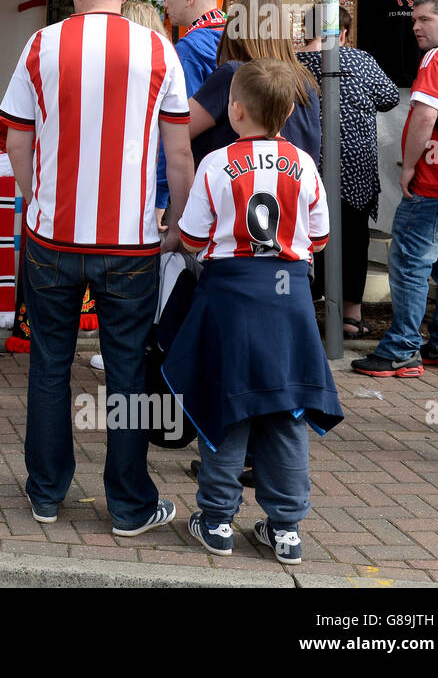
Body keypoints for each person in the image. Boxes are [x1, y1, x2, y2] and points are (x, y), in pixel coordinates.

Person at [0, 0, 194, 533]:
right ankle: (130, 506)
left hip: (53, 238)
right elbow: (179, 153)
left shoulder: (41, 44)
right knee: (128, 371)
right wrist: (177, 227)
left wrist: (36, 203)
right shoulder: (159, 48)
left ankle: (46, 493)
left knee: (50, 363)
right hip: (130, 244)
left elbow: (16, 142)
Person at [166, 59, 342, 565]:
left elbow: (194, 237)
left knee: (228, 404)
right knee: (287, 410)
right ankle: (286, 529)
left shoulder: (215, 163)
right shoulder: (305, 164)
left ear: (234, 110)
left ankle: (217, 519)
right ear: (288, 112)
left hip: (230, 295)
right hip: (288, 301)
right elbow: (322, 235)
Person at [355, 0, 438, 377]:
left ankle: (402, 349)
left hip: (437, 182)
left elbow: (425, 115)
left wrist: (408, 167)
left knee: (410, 263)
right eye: (413, 20)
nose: (415, 27)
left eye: (424, 20)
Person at [296, 8, 400, 337]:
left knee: (306, 239)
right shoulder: (360, 60)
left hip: (305, 166)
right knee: (354, 240)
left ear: (304, 30)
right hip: (354, 166)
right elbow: (389, 97)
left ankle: (305, 313)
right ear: (342, 33)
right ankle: (350, 318)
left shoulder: (291, 63)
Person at [188, 0, 321, 166]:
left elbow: (176, 128)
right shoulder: (306, 82)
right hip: (291, 188)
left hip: (232, 189)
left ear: (234, 30)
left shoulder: (234, 75)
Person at [156, 0, 225, 219]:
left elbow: (178, 130)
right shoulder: (236, 38)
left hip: (197, 184)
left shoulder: (189, 50)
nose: (164, 4)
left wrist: (162, 196)